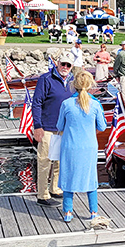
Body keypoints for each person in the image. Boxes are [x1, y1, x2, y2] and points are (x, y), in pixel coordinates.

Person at [56, 70, 107, 224]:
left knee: (67, 177)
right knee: (91, 178)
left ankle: (68, 212)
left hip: (70, 146)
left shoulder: (66, 104)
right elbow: (102, 127)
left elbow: (59, 126)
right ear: (91, 85)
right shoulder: (96, 104)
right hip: (89, 146)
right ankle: (93, 212)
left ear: (74, 85)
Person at [32, 52, 75, 206]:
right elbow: (36, 103)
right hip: (47, 127)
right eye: (63, 64)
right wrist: (38, 126)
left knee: (59, 161)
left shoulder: (72, 80)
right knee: (45, 161)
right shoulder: (46, 79)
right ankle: (42, 195)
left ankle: (54, 188)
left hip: (64, 127)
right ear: (57, 63)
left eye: (68, 65)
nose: (65, 67)